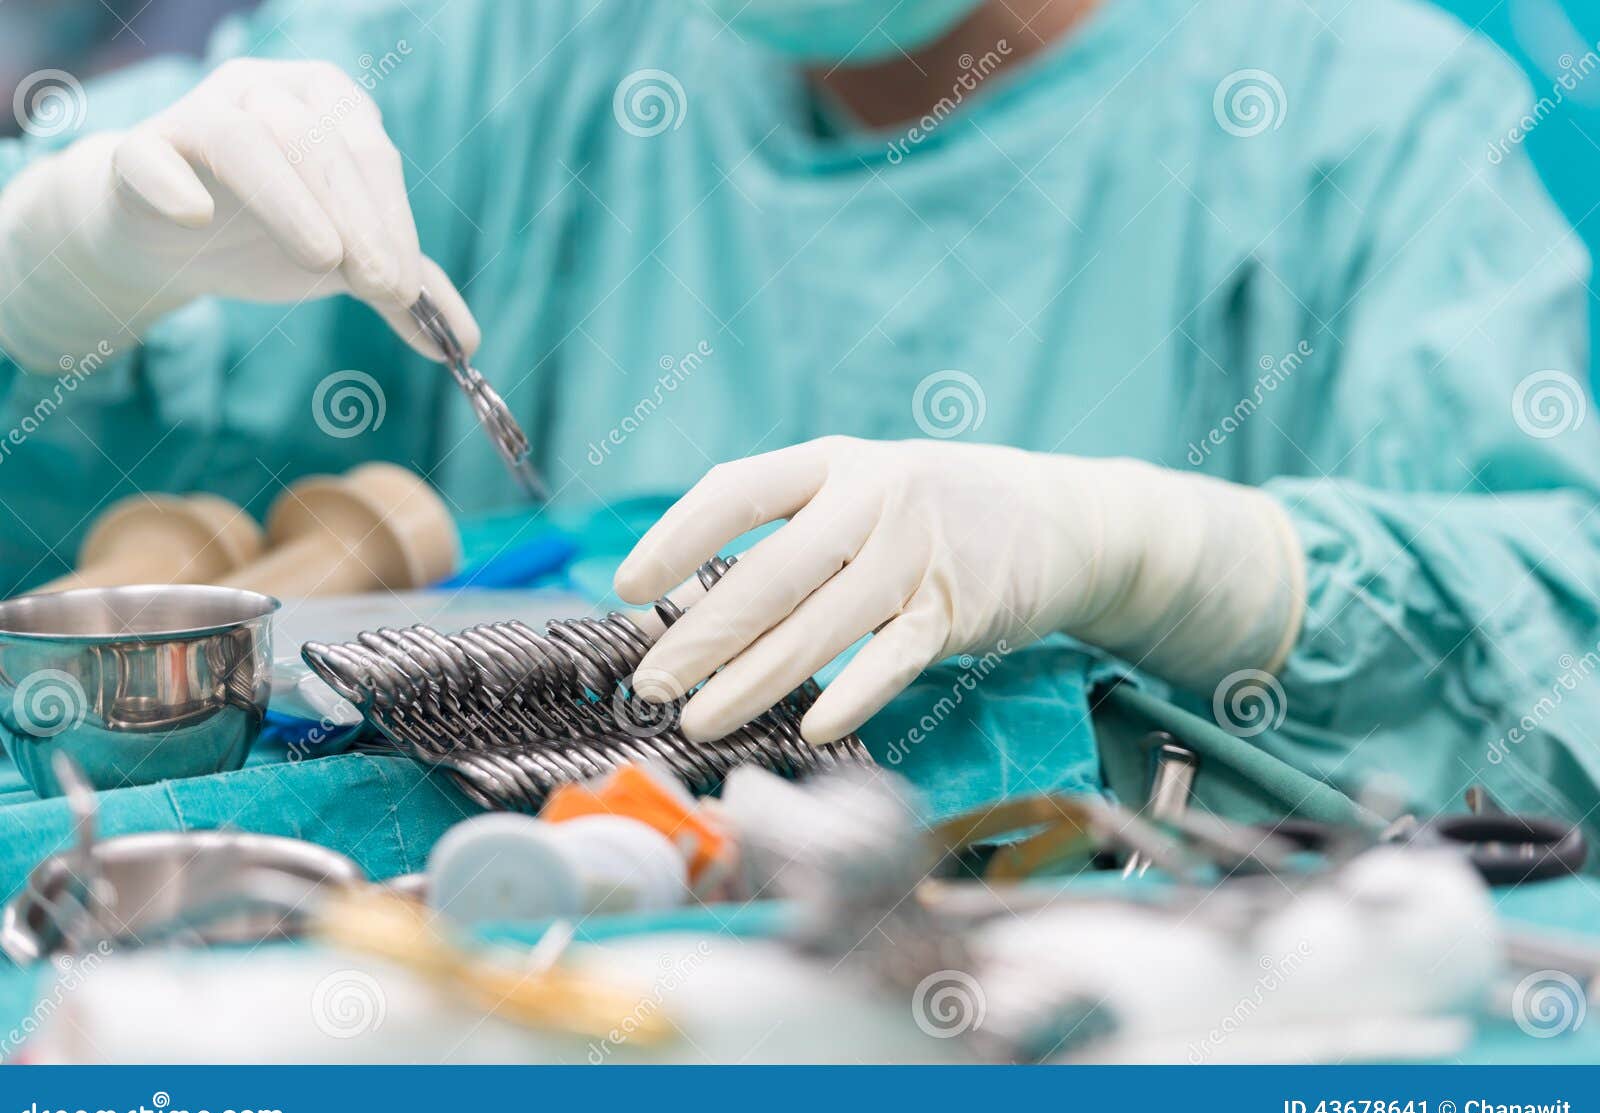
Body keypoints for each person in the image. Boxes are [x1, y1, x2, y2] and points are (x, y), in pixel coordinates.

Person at [1, 0, 1597, 811]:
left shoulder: (1355, 120)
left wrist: (1175, 560)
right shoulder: (523, 49)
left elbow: (1562, 669)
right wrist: (67, 264)